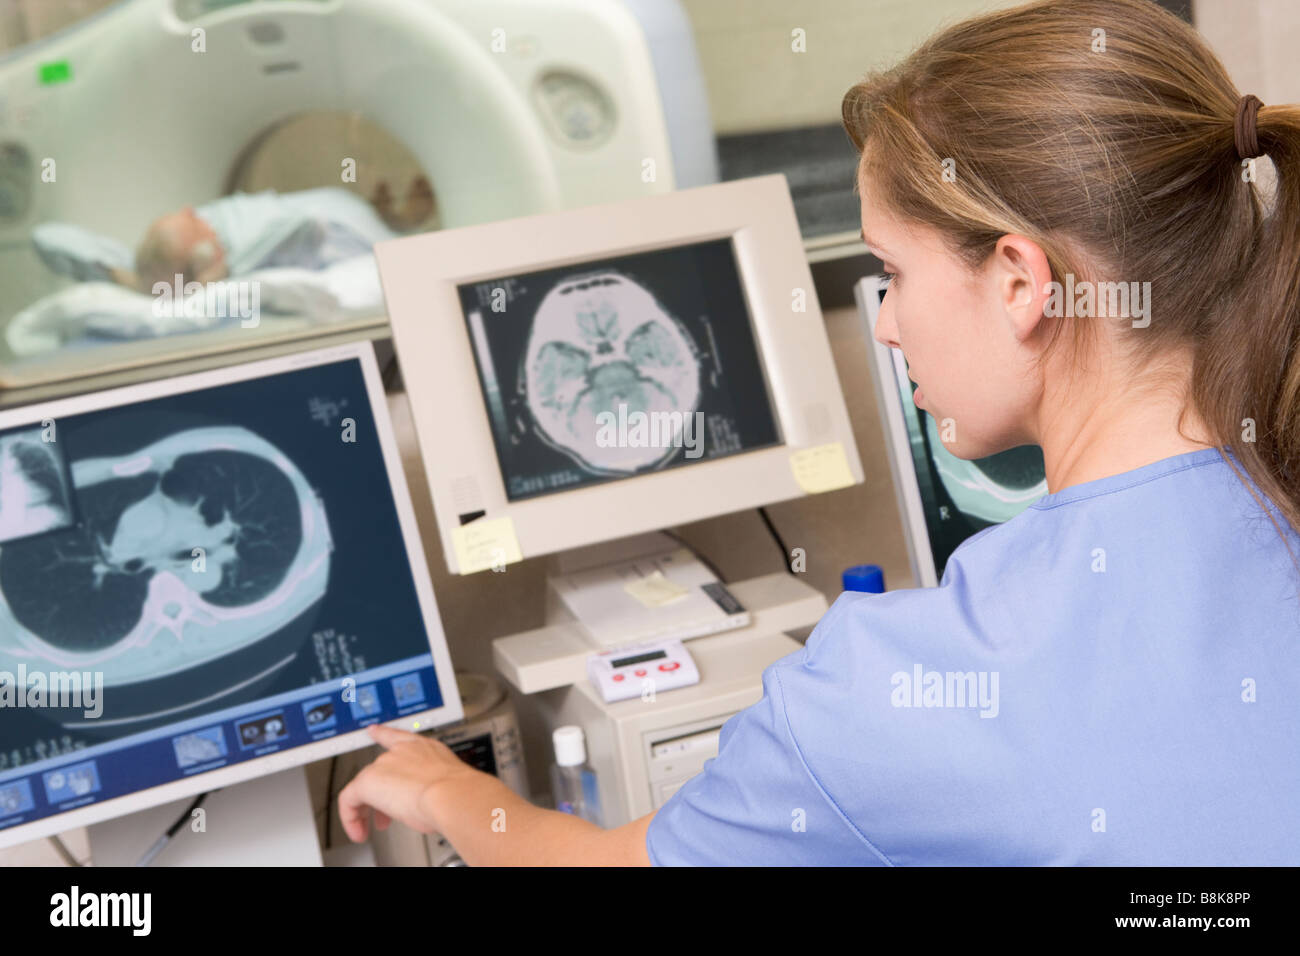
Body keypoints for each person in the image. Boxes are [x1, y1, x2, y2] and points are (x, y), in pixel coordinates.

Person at [337, 0, 1300, 865]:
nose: (884, 321)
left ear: (1019, 282)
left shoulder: (899, 688)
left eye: (895, 270)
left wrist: (450, 791)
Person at [127, 178, 435, 293]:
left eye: (192, 215)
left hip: (332, 210)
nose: (196, 213)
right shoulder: (232, 257)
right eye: (195, 223)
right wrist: (219, 272)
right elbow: (307, 225)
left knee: (390, 242)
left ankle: (398, 220)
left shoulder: (214, 221)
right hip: (330, 225)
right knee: (396, 248)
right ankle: (400, 222)